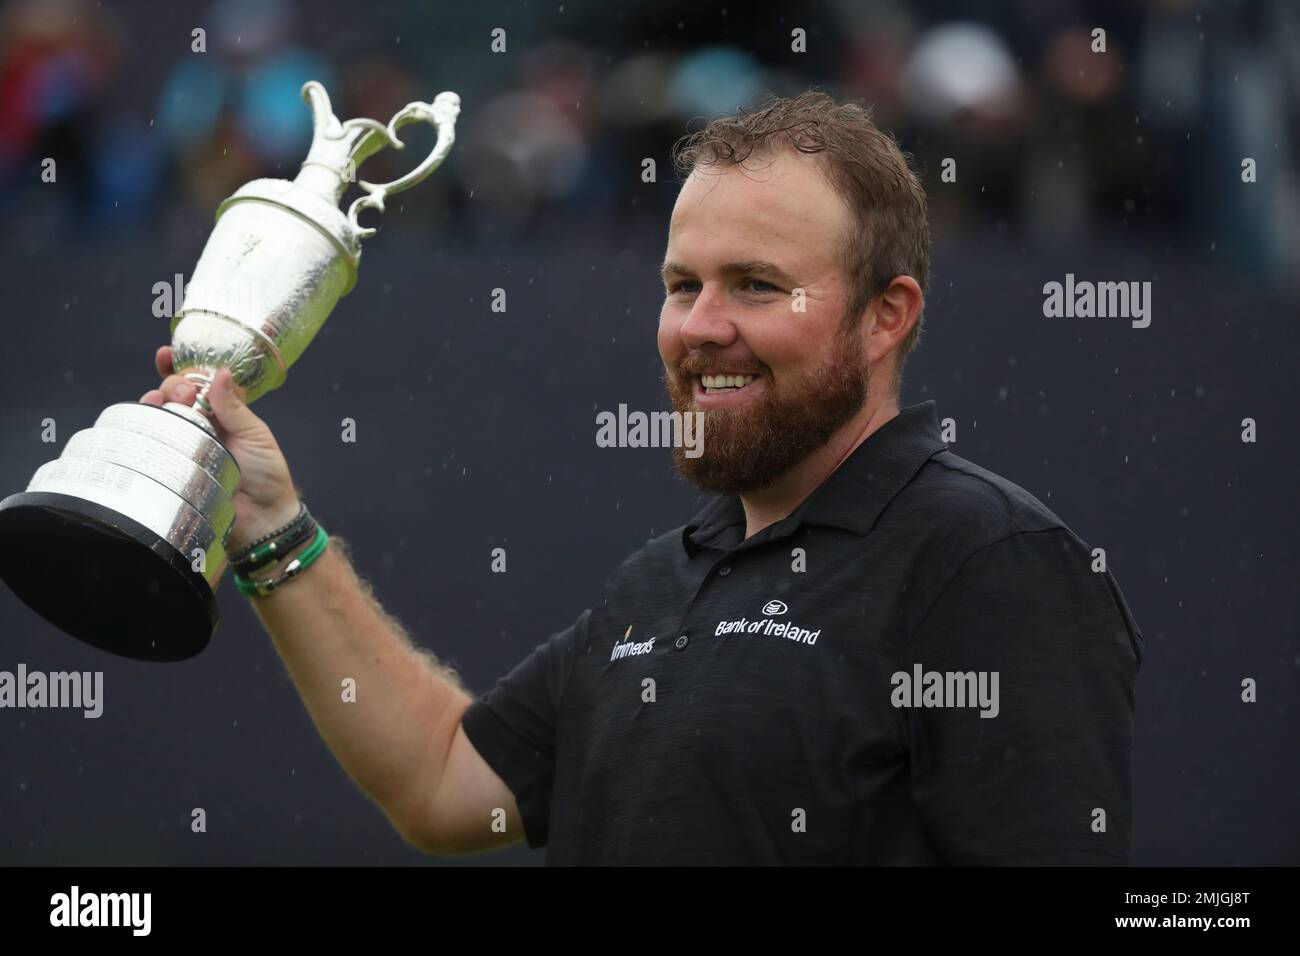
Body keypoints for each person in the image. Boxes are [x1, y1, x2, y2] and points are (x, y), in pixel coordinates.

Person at [142, 90, 1143, 865]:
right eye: (681, 285)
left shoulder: (989, 560)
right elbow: (445, 784)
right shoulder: (658, 582)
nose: (702, 325)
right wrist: (272, 523)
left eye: (755, 284)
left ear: (887, 315)